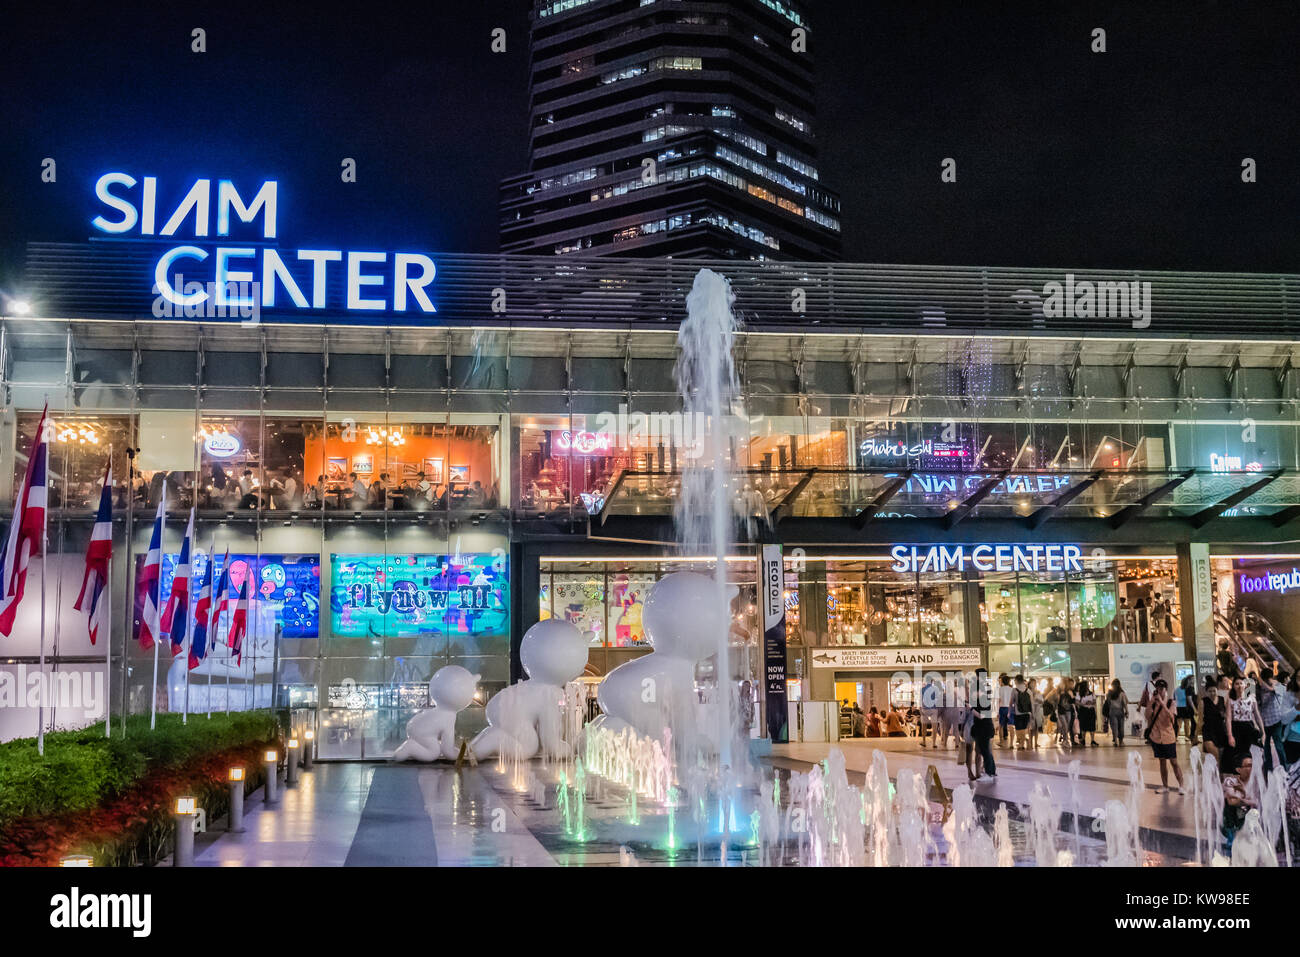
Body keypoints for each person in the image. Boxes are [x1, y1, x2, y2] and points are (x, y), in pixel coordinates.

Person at [1145, 679, 1186, 794]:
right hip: (1156, 737)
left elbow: (1171, 717)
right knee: (1162, 762)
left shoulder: (1171, 702)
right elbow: (1147, 716)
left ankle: (1181, 785)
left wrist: (1162, 703)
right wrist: (1151, 702)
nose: (1160, 691)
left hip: (1168, 737)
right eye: (1158, 688)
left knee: (1174, 762)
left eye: (1162, 689)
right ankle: (1165, 786)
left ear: (1166, 690)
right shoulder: (1153, 702)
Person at [1226, 675, 1266, 770]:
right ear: (1233, 686)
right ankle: (1239, 773)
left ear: (1245, 685)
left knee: (1254, 751)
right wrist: (1230, 735)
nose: (1239, 686)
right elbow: (1228, 718)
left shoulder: (1251, 698)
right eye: (1237, 684)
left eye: (1241, 683)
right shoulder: (1230, 700)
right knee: (1237, 753)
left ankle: (1253, 771)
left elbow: (1257, 716)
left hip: (1248, 726)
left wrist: (1263, 731)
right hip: (1236, 727)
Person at [971, 669, 997, 781]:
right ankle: (992, 771)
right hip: (986, 724)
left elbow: (981, 715)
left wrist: (970, 708)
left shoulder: (982, 693)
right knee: (986, 749)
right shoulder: (987, 688)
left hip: (982, 725)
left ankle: (989, 773)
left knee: (985, 750)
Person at [1103, 679, 1129, 746]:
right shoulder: (1122, 693)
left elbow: (1108, 703)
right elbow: (1125, 703)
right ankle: (1121, 741)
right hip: (1120, 711)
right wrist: (1127, 712)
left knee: (1114, 727)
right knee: (1121, 727)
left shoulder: (1109, 693)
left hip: (1112, 711)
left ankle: (1116, 742)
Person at [1175, 674, 1198, 743]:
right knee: (1187, 722)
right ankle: (1187, 736)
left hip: (1178, 707)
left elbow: (1174, 697)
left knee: (1178, 723)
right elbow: (1188, 699)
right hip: (1185, 707)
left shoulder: (1177, 689)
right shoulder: (1187, 689)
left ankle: (1176, 736)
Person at [1076, 679, 1099, 747]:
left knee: (1092, 725)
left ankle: (1092, 740)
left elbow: (1094, 701)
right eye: (1087, 685)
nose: (1088, 686)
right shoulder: (1079, 694)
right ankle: (1083, 739)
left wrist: (1091, 702)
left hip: (1091, 710)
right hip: (1083, 710)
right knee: (1083, 725)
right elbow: (1077, 702)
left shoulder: (1091, 693)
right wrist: (1083, 704)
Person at [1013, 675, 1033, 750]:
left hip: (1018, 712)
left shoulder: (1014, 690)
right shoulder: (1028, 691)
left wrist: (1009, 711)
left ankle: (1021, 743)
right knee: (1024, 728)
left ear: (1016, 681)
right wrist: (1032, 714)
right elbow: (1032, 703)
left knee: (1018, 729)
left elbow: (1011, 702)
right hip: (1027, 712)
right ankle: (1023, 742)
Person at [1056, 678, 1077, 749]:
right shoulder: (1059, 692)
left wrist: (1072, 696)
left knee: (1067, 726)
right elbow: (1057, 702)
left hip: (1068, 711)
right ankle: (1066, 741)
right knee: (1065, 726)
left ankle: (1064, 740)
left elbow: (1073, 701)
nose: (1062, 685)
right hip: (1061, 711)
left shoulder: (1070, 691)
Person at [996, 673, 1015, 747]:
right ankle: (1011, 744)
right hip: (1010, 708)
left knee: (1001, 726)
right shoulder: (1012, 689)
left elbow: (999, 700)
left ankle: (1001, 742)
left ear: (1002, 681)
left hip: (1002, 708)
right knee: (1011, 726)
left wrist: (997, 711)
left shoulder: (1000, 689)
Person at [1030, 680, 1045, 748]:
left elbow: (1042, 702)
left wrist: (1038, 700)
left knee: (1036, 727)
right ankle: (1030, 742)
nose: (1033, 685)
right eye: (1032, 683)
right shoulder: (1028, 692)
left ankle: (1036, 743)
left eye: (1034, 683)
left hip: (1037, 711)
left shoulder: (1038, 692)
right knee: (1031, 728)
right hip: (1030, 711)